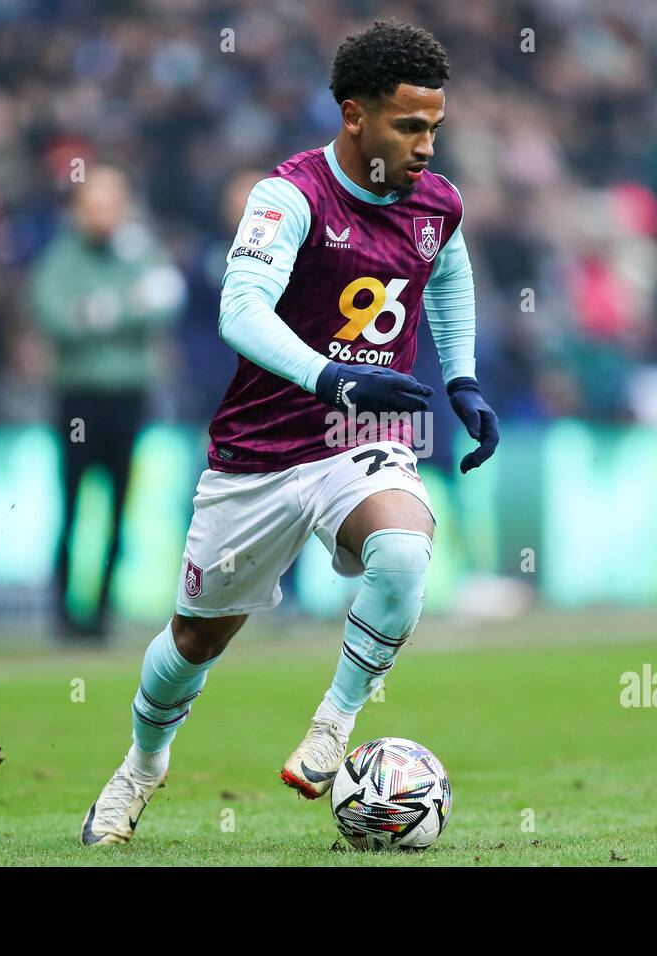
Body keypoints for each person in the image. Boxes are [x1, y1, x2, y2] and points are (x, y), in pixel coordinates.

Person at [80, 18, 499, 844]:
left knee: (406, 549)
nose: (426, 146)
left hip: (364, 443)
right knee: (194, 640)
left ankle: (334, 723)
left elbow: (450, 277)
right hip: (260, 455)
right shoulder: (290, 196)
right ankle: (141, 765)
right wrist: (332, 376)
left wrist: (461, 378)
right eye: (409, 126)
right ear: (355, 115)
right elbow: (240, 312)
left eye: (435, 129)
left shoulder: (436, 205)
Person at [31, 164, 186, 639]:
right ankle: (63, 613)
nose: (103, 214)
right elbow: (57, 317)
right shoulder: (62, 259)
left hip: (127, 398)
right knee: (72, 505)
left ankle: (101, 611)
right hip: (79, 399)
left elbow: (163, 302)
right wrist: (125, 309)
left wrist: (100, 313)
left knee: (119, 506)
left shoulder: (138, 251)